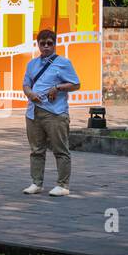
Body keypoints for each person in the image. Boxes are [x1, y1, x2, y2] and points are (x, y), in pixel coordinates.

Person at [21, 29, 81, 196]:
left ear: (54, 44)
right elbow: (26, 84)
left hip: (55, 112)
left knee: (60, 149)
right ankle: (36, 183)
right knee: (36, 149)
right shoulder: (32, 64)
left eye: (49, 43)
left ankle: (63, 185)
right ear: (38, 44)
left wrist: (58, 87)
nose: (46, 46)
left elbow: (76, 84)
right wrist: (29, 93)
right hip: (33, 111)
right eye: (43, 43)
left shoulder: (63, 63)